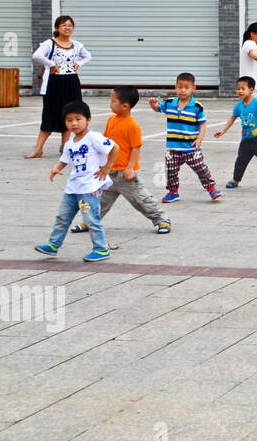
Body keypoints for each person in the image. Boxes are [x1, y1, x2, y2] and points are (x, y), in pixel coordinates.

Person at [71, 85, 169, 238]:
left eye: (113, 101)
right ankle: (90, 222)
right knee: (99, 200)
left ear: (125, 106)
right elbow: (104, 142)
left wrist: (130, 168)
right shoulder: (111, 120)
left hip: (125, 174)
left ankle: (161, 220)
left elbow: (136, 148)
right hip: (108, 172)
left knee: (141, 199)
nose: (110, 103)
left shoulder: (132, 126)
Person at [35, 100, 118, 262]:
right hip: (73, 187)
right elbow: (65, 159)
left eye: (78, 119)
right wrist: (56, 167)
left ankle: (101, 249)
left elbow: (115, 148)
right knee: (62, 217)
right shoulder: (69, 144)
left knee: (91, 218)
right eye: (69, 120)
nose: (74, 123)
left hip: (90, 187)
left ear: (88, 119)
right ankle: (53, 245)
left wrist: (107, 167)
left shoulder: (93, 137)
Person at [26, 16, 92, 159]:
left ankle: (65, 148)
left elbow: (88, 56)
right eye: (64, 25)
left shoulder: (77, 45)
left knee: (70, 114)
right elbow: (36, 55)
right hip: (54, 84)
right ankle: (38, 149)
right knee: (49, 115)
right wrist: (51, 64)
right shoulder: (49, 44)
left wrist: (79, 64)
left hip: (72, 82)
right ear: (57, 28)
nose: (67, 28)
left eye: (70, 25)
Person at [149, 73, 220, 203]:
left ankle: (211, 188)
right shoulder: (169, 103)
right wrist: (153, 105)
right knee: (170, 169)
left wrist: (199, 139)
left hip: (191, 146)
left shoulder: (197, 106)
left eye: (186, 87)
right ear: (176, 87)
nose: (182, 90)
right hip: (173, 146)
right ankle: (173, 192)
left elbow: (202, 123)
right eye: (180, 87)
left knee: (200, 168)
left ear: (193, 88)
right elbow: (158, 109)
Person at [214, 76, 257, 191]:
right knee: (240, 161)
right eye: (238, 88)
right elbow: (232, 118)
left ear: (251, 90)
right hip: (245, 140)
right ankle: (235, 180)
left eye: (243, 88)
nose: (240, 91)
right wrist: (223, 130)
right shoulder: (239, 106)